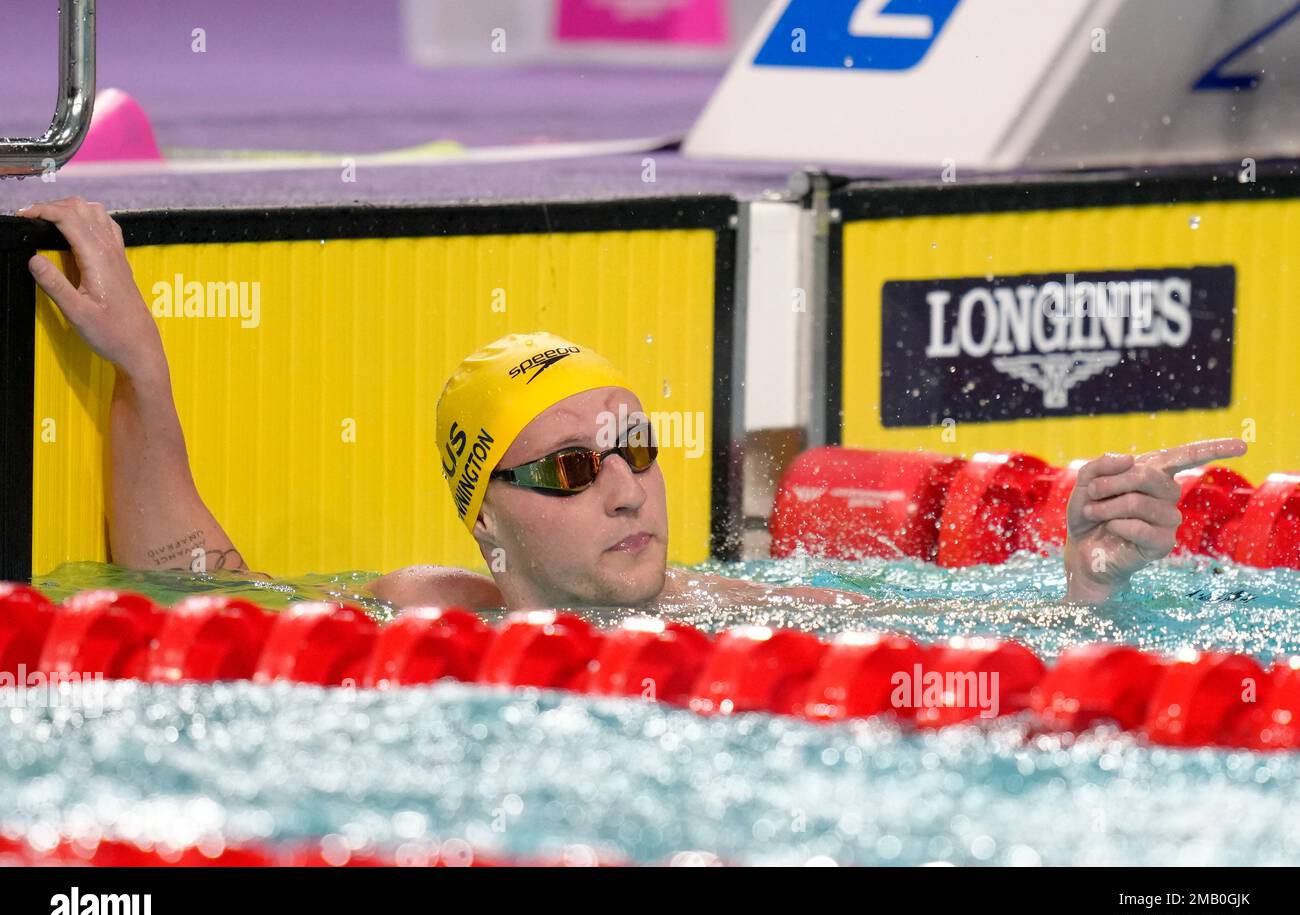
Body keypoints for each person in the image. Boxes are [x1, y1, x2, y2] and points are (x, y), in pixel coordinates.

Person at [18, 197, 1248, 614]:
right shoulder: (428, 614)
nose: (621, 486)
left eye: (633, 448)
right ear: (482, 520)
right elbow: (192, 584)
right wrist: (143, 372)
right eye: (562, 469)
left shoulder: (731, 607)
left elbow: (975, 655)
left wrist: (1093, 584)